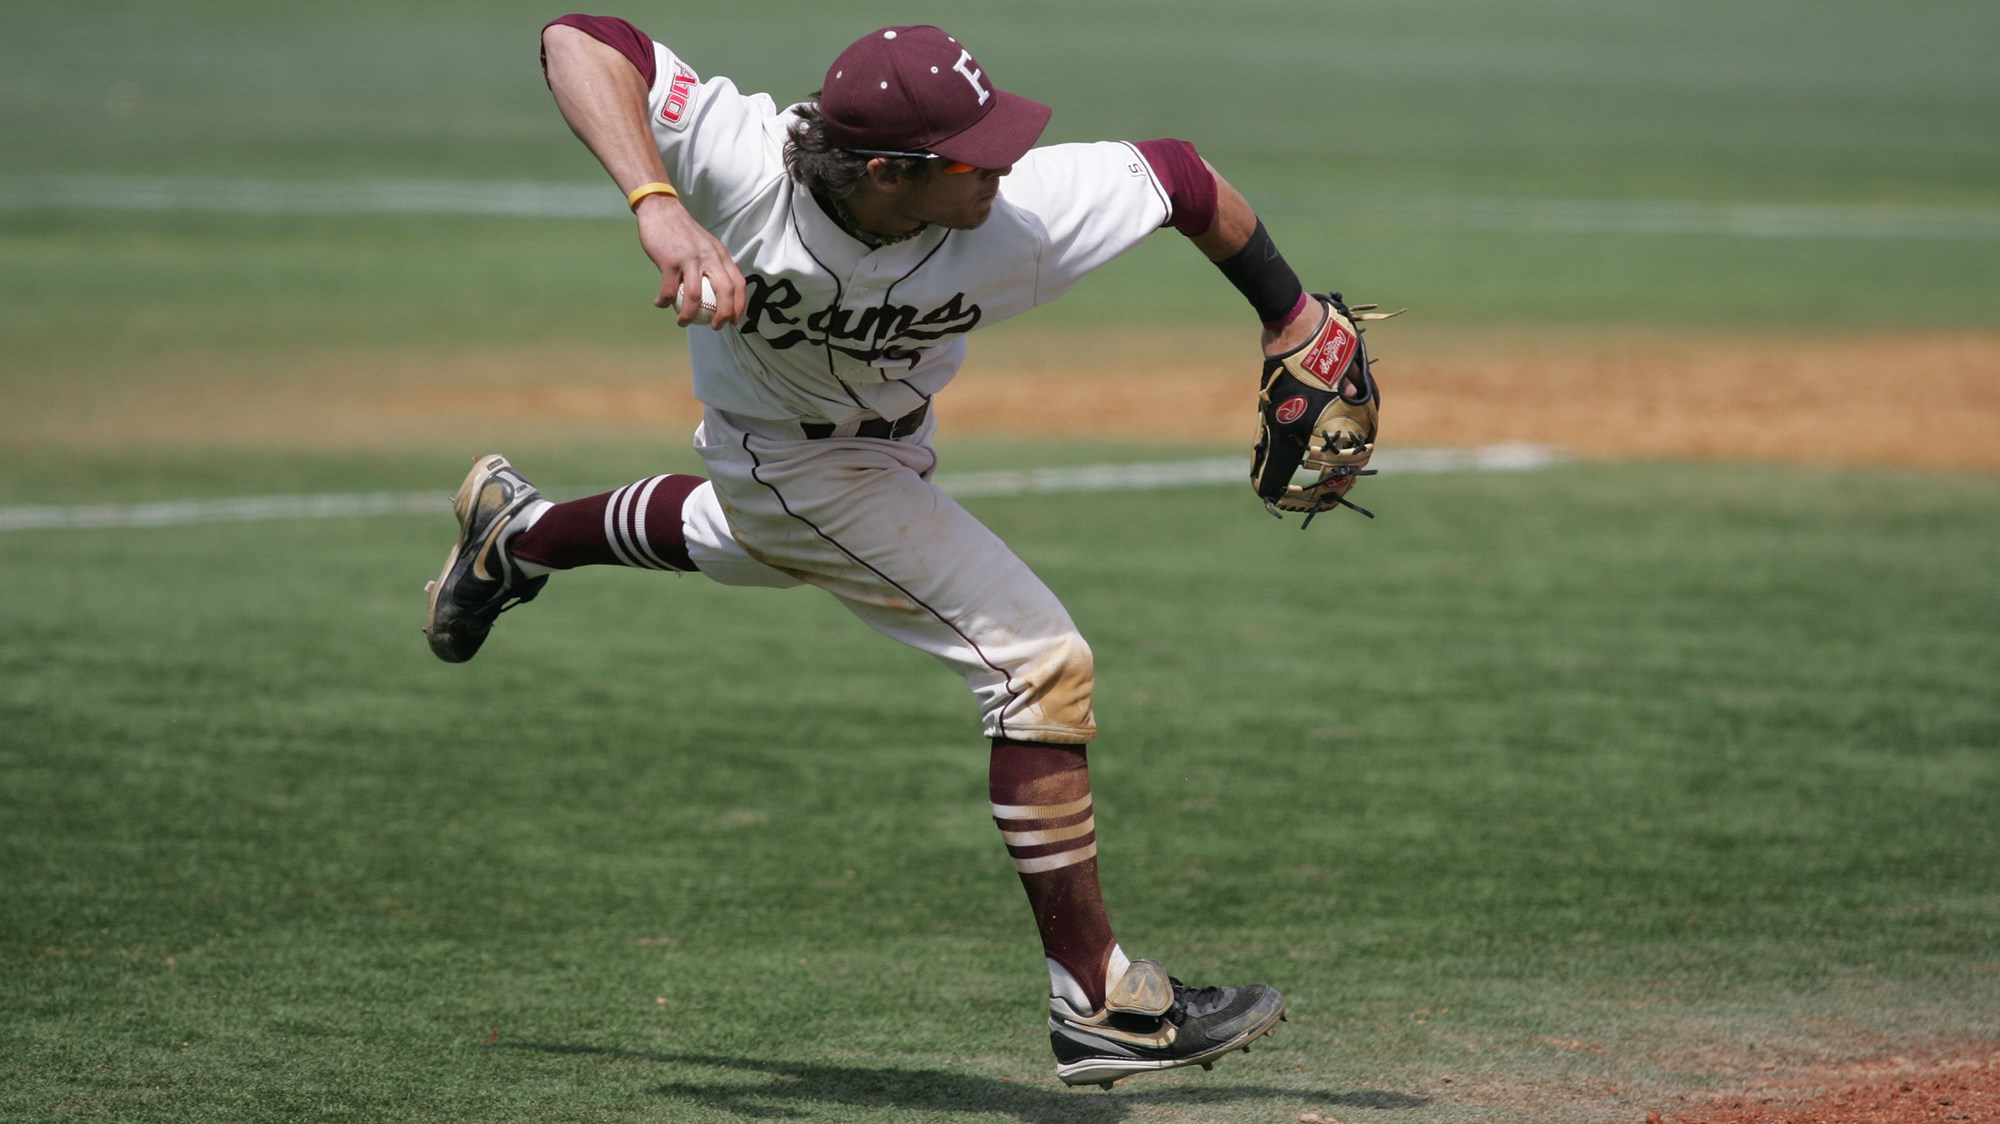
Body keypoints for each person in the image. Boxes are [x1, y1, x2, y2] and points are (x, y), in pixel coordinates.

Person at [425, 14, 1332, 1088]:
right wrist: (656, 205)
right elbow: (577, 38)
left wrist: (1290, 315)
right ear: (889, 171)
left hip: (863, 466)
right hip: (792, 466)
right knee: (1036, 662)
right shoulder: (745, 161)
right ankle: (1096, 999)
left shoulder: (1015, 204)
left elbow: (1179, 177)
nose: (1002, 161)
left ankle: (517, 534)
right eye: (973, 150)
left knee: (748, 539)